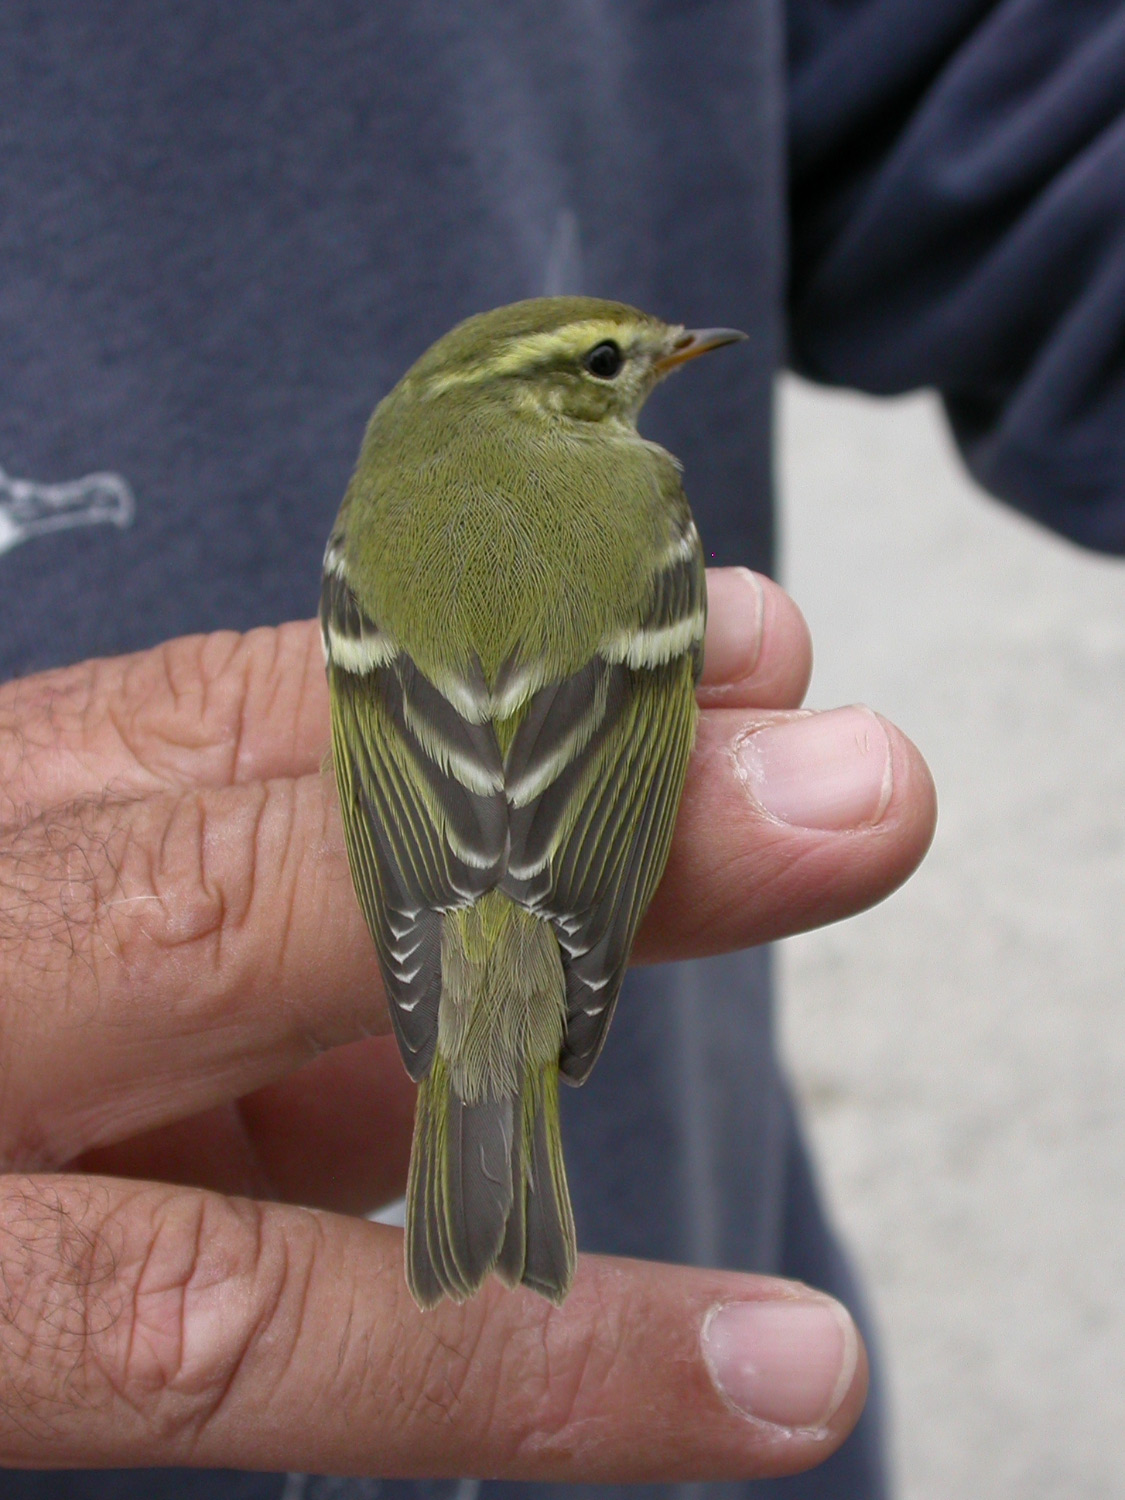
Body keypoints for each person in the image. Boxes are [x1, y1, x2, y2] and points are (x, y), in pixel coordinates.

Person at [0, 4, 1120, 1496]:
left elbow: (377, 729)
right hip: (552, 873)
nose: (645, 374)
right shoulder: (637, 503)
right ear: (535, 399)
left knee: (476, 1013)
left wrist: (438, 888)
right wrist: (568, 914)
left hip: (429, 867)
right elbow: (631, 736)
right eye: (606, 365)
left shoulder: (385, 502)